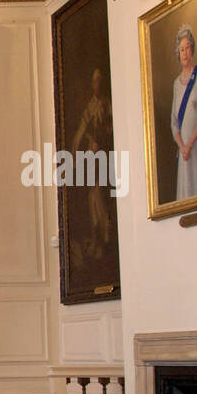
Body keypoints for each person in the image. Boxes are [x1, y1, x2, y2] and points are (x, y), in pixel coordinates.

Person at [71, 67, 115, 257]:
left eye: (100, 80)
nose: (97, 84)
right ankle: (98, 237)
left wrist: (103, 140)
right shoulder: (90, 107)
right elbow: (80, 132)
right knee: (93, 194)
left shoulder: (107, 104)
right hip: (94, 157)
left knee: (101, 194)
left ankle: (105, 237)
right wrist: (73, 156)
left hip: (105, 155)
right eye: (94, 80)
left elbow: (112, 129)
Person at [169, 24, 197, 200]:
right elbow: (174, 122)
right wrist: (182, 147)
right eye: (182, 49)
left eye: (187, 48)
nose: (185, 52)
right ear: (178, 54)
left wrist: (189, 145)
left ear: (192, 49)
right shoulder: (175, 84)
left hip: (196, 145)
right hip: (184, 152)